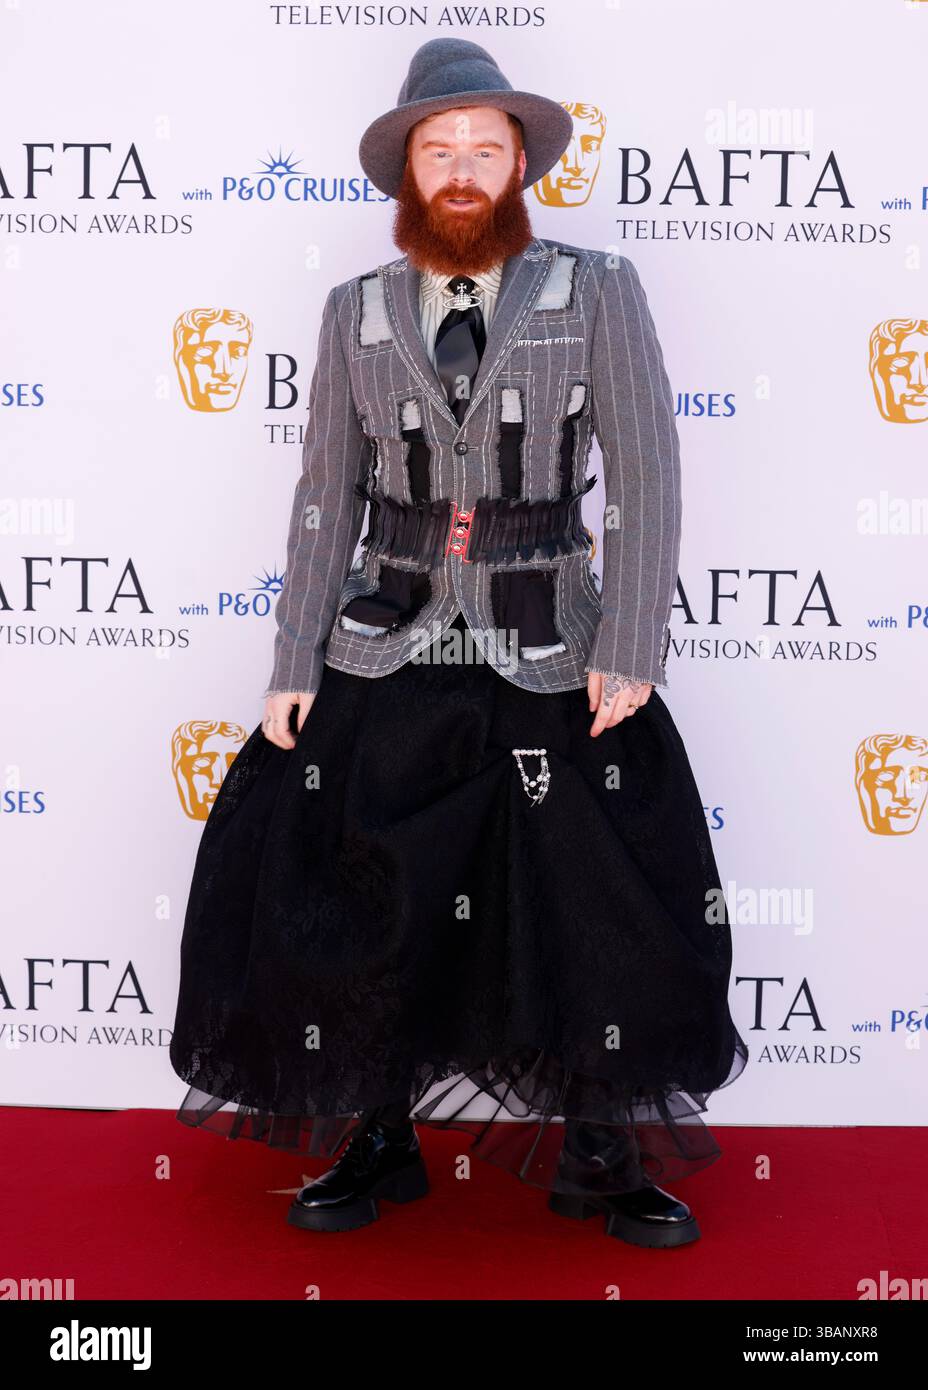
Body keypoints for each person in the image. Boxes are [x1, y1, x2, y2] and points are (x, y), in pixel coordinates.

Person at [169, 37, 748, 1249]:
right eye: (442, 150)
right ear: (409, 172)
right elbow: (326, 492)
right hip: (386, 646)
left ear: (520, 160)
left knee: (587, 910)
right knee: (368, 907)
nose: (465, 167)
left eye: (486, 146)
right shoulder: (356, 313)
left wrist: (632, 639)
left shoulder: (595, 289)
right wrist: (291, 660)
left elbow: (644, 469)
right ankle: (376, 1132)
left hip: (553, 647)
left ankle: (597, 1149)